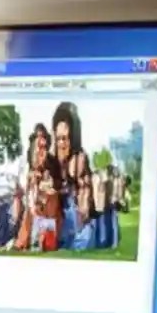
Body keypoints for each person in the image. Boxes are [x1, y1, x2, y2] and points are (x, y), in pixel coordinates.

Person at [54, 102, 94, 250]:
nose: (61, 144)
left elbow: (84, 194)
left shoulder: (79, 160)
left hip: (78, 227)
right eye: (58, 139)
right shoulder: (54, 162)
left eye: (65, 139)